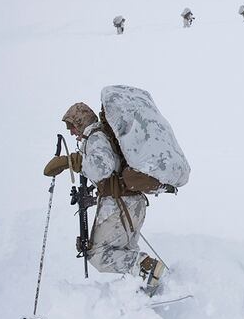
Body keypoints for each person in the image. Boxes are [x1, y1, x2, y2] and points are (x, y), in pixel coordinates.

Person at [43, 102, 165, 294]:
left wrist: (71, 161)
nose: (72, 132)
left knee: (98, 254)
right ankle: (143, 291)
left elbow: (102, 168)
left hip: (120, 205)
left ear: (81, 121)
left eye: (72, 126)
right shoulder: (103, 136)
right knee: (124, 252)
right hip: (132, 203)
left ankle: (148, 267)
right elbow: (110, 173)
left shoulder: (96, 137)